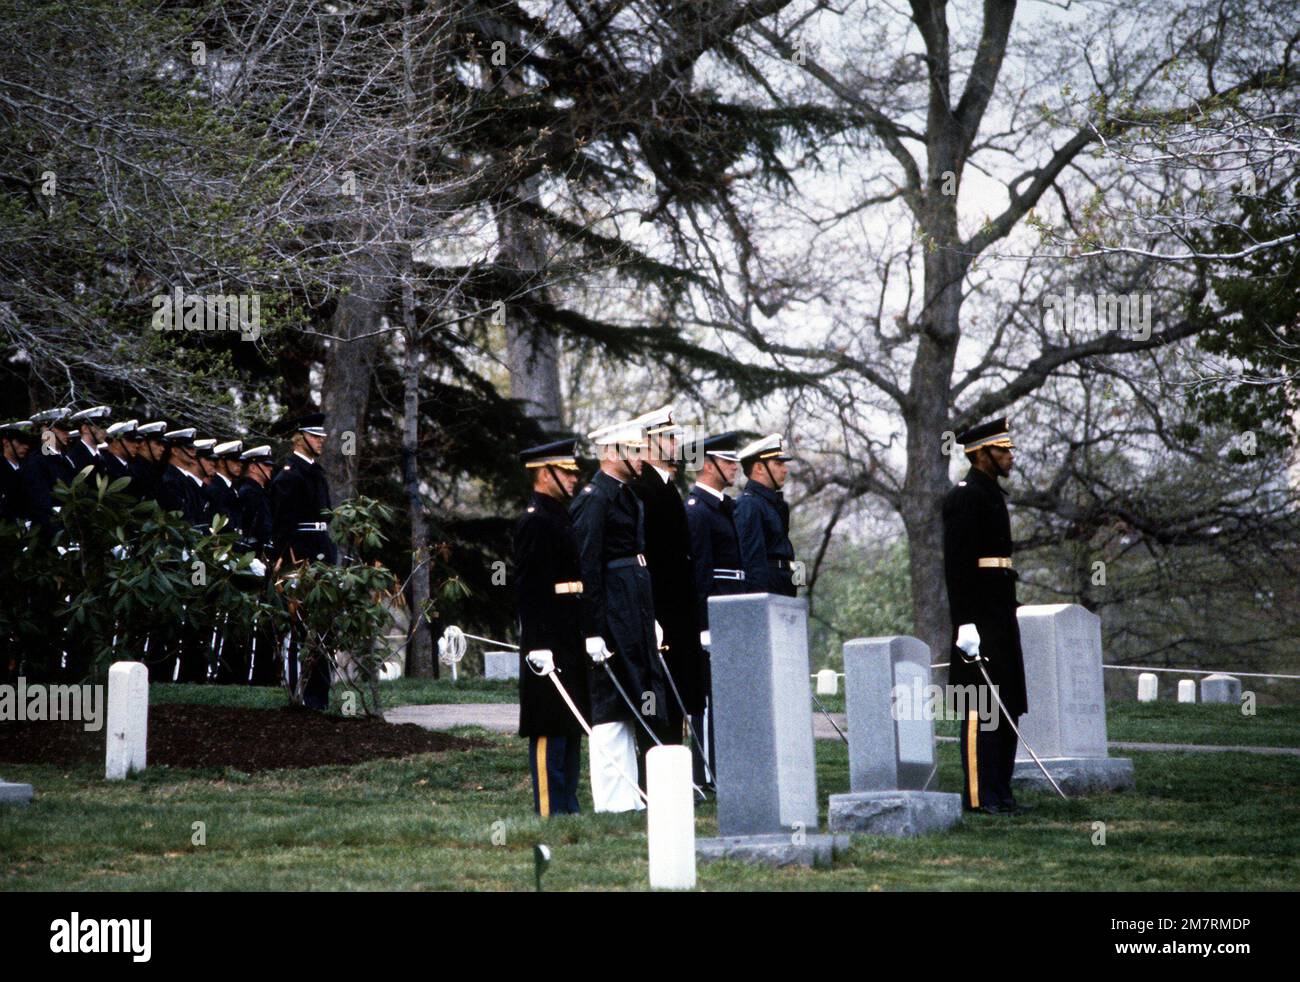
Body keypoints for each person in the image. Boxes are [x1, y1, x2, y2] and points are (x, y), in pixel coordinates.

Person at [569, 418, 666, 813]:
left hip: (633, 606)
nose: (643, 457)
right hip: (611, 611)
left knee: (632, 697)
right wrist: (591, 629)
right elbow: (586, 566)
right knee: (610, 702)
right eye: (635, 450)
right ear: (612, 453)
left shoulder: (627, 496)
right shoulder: (595, 498)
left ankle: (629, 793)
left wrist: (649, 617)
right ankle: (612, 799)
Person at [942, 417, 1029, 816]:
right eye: (1003, 450)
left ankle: (1001, 788)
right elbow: (957, 567)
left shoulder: (993, 494)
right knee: (981, 704)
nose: (1010, 456)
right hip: (977, 618)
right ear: (982, 453)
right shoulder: (965, 496)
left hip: (999, 614)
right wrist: (965, 622)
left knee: (1007, 700)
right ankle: (979, 795)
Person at [514, 438, 591, 817]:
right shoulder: (534, 519)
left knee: (570, 722)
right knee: (549, 724)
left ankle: (569, 805)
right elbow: (530, 588)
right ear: (545, 474)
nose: (574, 480)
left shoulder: (561, 515)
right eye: (567, 473)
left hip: (569, 632)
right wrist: (538, 643)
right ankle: (549, 809)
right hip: (547, 638)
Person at [628, 405, 705, 761]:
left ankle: (673, 767)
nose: (676, 444)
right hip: (658, 610)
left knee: (678, 698)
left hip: (677, 612)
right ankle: (657, 771)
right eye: (668, 437)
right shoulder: (641, 490)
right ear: (647, 443)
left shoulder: (667, 488)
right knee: (659, 696)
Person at [683, 430, 746, 788]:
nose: (735, 467)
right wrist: (704, 624)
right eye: (727, 461)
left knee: (731, 694)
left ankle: (729, 768)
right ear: (707, 465)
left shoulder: (727, 508)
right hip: (714, 612)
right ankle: (705, 773)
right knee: (707, 698)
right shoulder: (697, 511)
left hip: (733, 607)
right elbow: (700, 570)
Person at [269, 412, 336, 709]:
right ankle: (303, 692)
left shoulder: (315, 472)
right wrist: (283, 556)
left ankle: (320, 692)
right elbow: (282, 522)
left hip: (321, 546)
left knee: (323, 621)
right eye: (316, 436)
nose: (322, 440)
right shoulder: (289, 474)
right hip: (302, 550)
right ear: (301, 438)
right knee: (302, 623)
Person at [734, 433, 797, 596]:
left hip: (783, 586)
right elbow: (752, 562)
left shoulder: (772, 504)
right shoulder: (749, 504)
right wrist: (758, 604)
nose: (785, 470)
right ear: (759, 468)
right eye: (778, 463)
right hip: (767, 590)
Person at [236, 444, 278, 686]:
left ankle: (264, 673)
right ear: (253, 467)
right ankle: (255, 675)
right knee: (256, 620)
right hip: (252, 560)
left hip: (263, 560)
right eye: (266, 466)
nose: (270, 470)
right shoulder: (249, 492)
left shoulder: (260, 492)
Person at [130, 421, 169, 504]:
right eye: (158, 444)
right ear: (143, 444)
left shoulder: (151, 469)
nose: (162, 449)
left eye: (163, 445)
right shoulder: (134, 468)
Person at [206, 440, 243, 525]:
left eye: (240, 461)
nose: (240, 464)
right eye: (235, 460)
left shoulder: (229, 487)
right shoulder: (216, 488)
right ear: (222, 463)